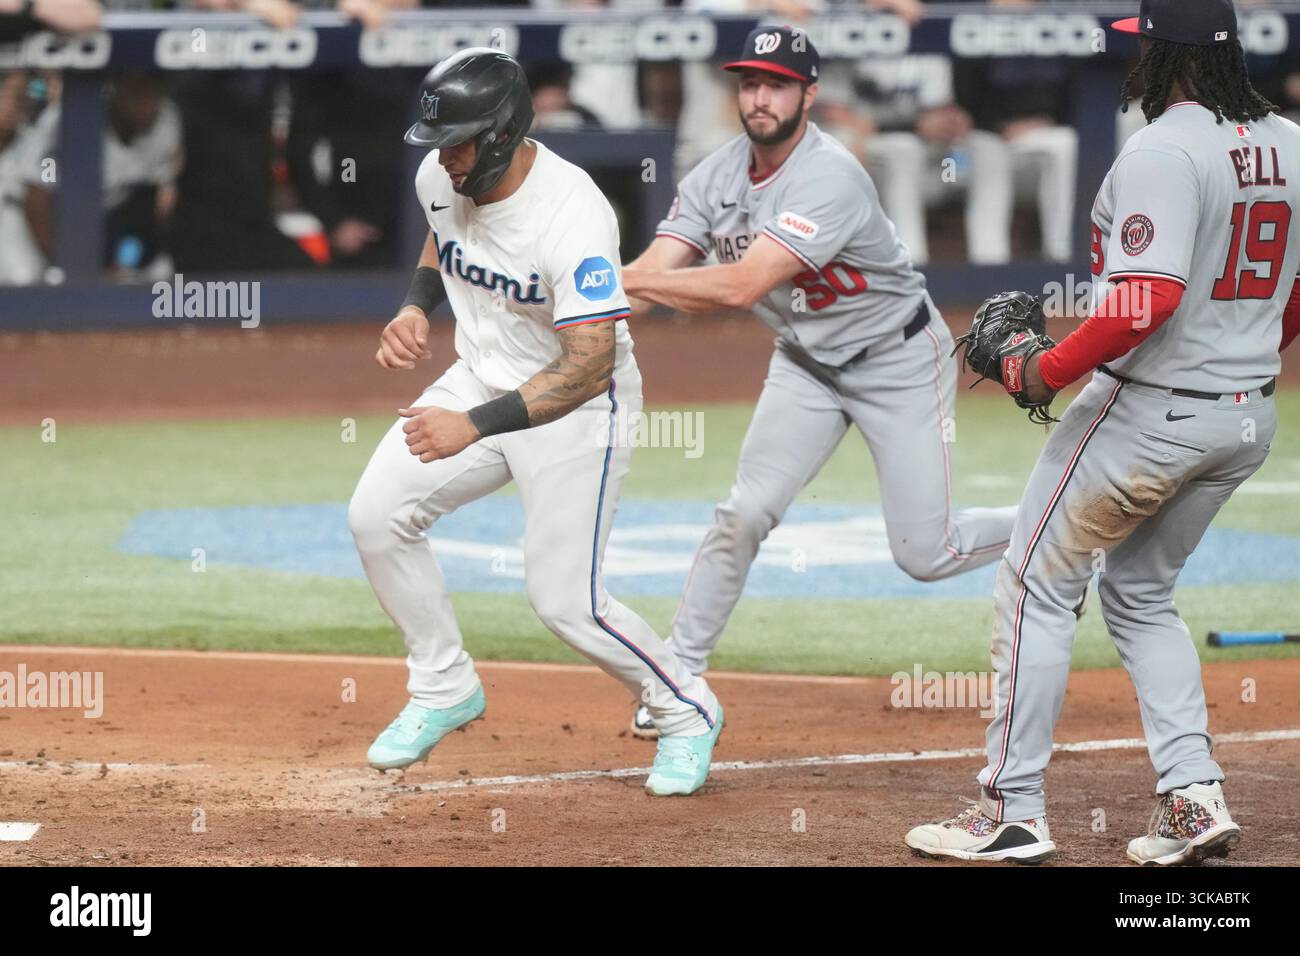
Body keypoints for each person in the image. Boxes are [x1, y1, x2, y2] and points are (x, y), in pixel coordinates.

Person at [904, 0, 1300, 865]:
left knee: (1033, 585)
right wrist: (1239, 355)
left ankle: (1009, 809)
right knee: (1139, 593)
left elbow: (1144, 299)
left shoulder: (1164, 148)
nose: (1134, 62)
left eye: (1144, 46)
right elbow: (1295, 295)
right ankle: (1193, 799)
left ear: (1172, 57)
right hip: (1244, 418)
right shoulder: (1293, 142)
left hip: (1149, 414)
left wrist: (1044, 371)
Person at [620, 25, 1018, 738]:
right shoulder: (715, 175)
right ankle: (676, 677)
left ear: (808, 94)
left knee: (927, 554)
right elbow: (657, 274)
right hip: (806, 363)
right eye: (748, 83)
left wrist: (610, 280)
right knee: (742, 513)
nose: (759, 96)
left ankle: (1061, 527)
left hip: (896, 361)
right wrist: (579, 293)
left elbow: (742, 286)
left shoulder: (829, 174)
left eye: (775, 83)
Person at [348, 48, 725, 796]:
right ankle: (443, 686)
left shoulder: (572, 213)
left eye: (457, 143)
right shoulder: (442, 174)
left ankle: (685, 710)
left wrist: (473, 426)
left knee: (565, 601)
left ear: (499, 134)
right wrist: (416, 307)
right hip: (481, 377)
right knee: (376, 516)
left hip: (579, 406)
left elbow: (587, 364)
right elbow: (440, 233)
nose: (444, 160)